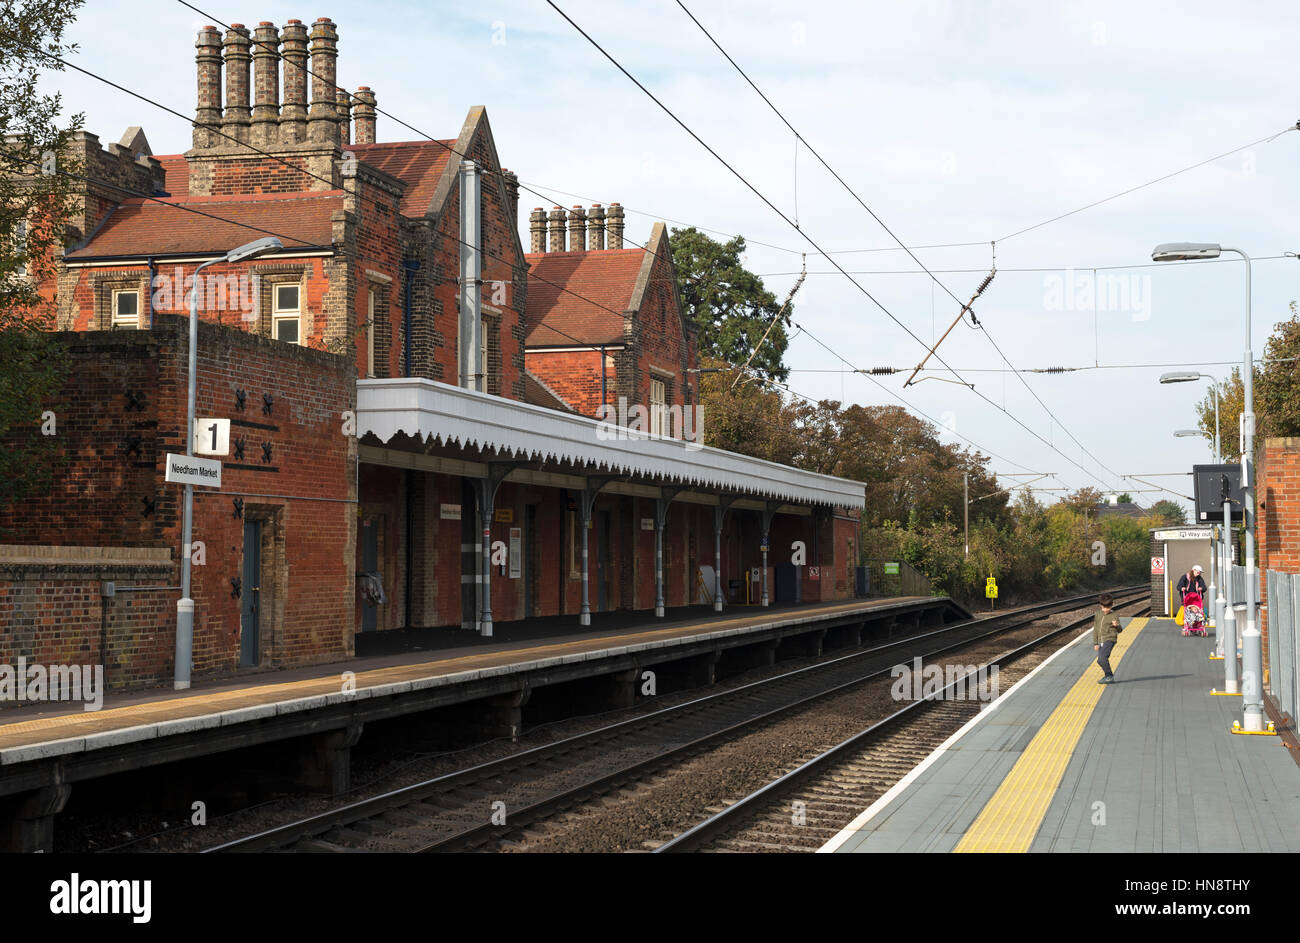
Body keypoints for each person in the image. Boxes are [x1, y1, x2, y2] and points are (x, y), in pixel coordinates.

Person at [1092, 591, 1121, 684]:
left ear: (1112, 605)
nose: (1106, 609)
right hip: (1101, 640)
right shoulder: (1097, 614)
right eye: (1104, 607)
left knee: (1102, 659)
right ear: (1100, 605)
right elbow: (1096, 629)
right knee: (1100, 661)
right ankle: (1108, 676)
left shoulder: (1114, 615)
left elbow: (1120, 630)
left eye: (1108, 607)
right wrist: (1095, 643)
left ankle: (1109, 676)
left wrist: (1117, 626)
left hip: (1110, 639)